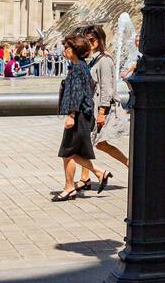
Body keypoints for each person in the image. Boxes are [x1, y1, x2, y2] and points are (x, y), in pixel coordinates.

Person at [52, 34, 108, 202]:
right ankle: (77, 183)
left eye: (67, 48)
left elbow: (77, 94)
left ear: (75, 50)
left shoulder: (77, 69)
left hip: (79, 116)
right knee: (70, 152)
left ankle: (91, 176)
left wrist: (71, 115)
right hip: (83, 115)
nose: (65, 50)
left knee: (68, 152)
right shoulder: (80, 66)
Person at [77, 24, 124, 190]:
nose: (89, 43)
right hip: (92, 107)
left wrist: (102, 112)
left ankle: (131, 166)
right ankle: (85, 178)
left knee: (95, 144)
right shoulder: (94, 59)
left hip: (101, 109)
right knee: (91, 143)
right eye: (86, 40)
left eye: (92, 40)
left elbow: (106, 88)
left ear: (100, 40)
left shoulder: (104, 60)